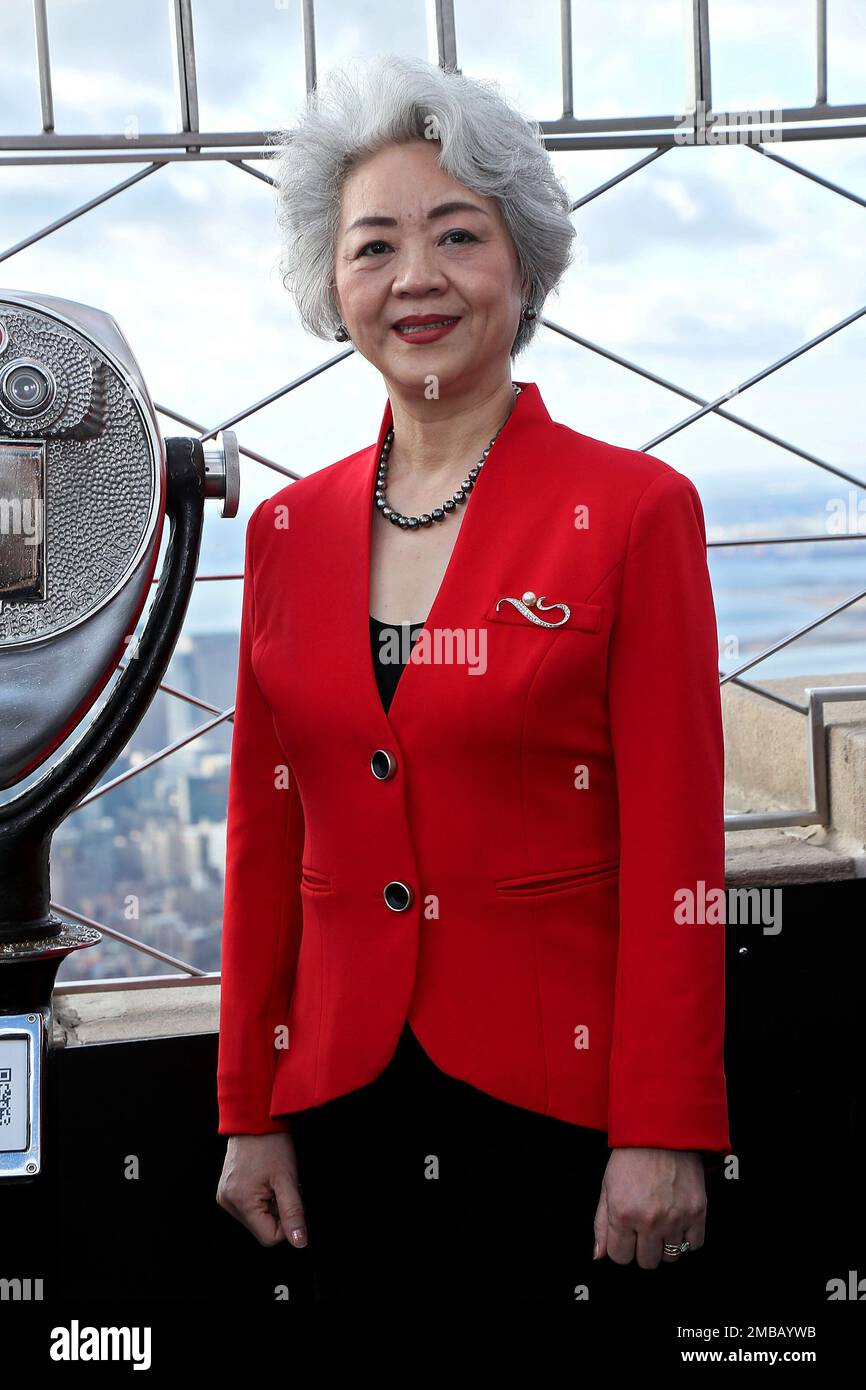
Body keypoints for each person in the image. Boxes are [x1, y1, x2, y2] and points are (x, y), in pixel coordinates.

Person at [215, 53, 731, 1308]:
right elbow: (264, 840)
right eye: (373, 245)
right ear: (332, 284)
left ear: (524, 263)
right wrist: (248, 1106)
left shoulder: (631, 511)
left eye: (458, 234)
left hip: (561, 1110)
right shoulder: (283, 532)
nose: (416, 279)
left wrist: (661, 1124)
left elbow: (679, 851)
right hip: (336, 1104)